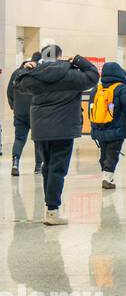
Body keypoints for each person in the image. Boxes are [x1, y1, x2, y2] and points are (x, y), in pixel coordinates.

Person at [13, 44, 100, 223]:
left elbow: (18, 84)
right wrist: (77, 60)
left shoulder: (36, 75)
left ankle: (49, 208)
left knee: (47, 167)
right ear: (60, 56)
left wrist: (25, 67)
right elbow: (93, 75)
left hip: (41, 130)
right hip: (64, 129)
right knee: (57, 169)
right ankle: (53, 211)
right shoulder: (73, 75)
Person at [88, 61, 126, 189]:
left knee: (104, 153)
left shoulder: (96, 88)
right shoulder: (120, 87)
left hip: (99, 128)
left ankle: (107, 176)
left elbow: (91, 108)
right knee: (112, 154)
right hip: (116, 128)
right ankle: (107, 178)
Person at [7, 51, 43, 176]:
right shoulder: (39, 73)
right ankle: (38, 166)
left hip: (20, 112)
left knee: (19, 138)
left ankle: (15, 164)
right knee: (38, 139)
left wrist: (14, 106)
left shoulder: (17, 73)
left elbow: (9, 92)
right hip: (36, 112)